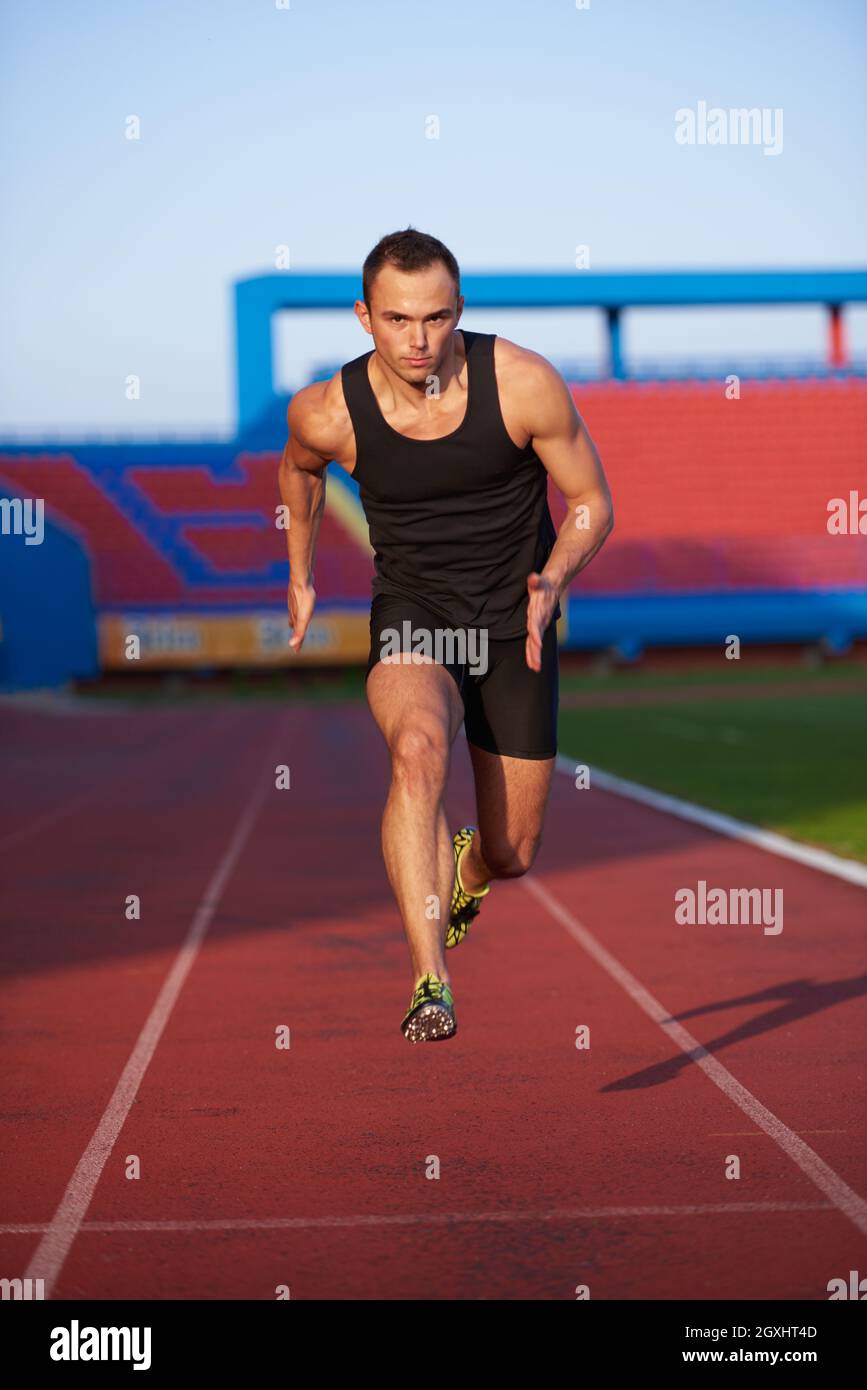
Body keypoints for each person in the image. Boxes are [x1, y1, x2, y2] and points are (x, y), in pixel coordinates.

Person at [279, 228, 613, 1042]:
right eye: (397, 319)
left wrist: (554, 580)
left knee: (513, 852)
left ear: (458, 310)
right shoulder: (328, 411)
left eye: (435, 318)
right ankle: (431, 977)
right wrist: (300, 572)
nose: (418, 340)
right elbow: (298, 473)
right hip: (415, 615)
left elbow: (591, 504)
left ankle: (467, 869)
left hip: (514, 625)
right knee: (417, 747)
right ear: (365, 317)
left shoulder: (524, 384)